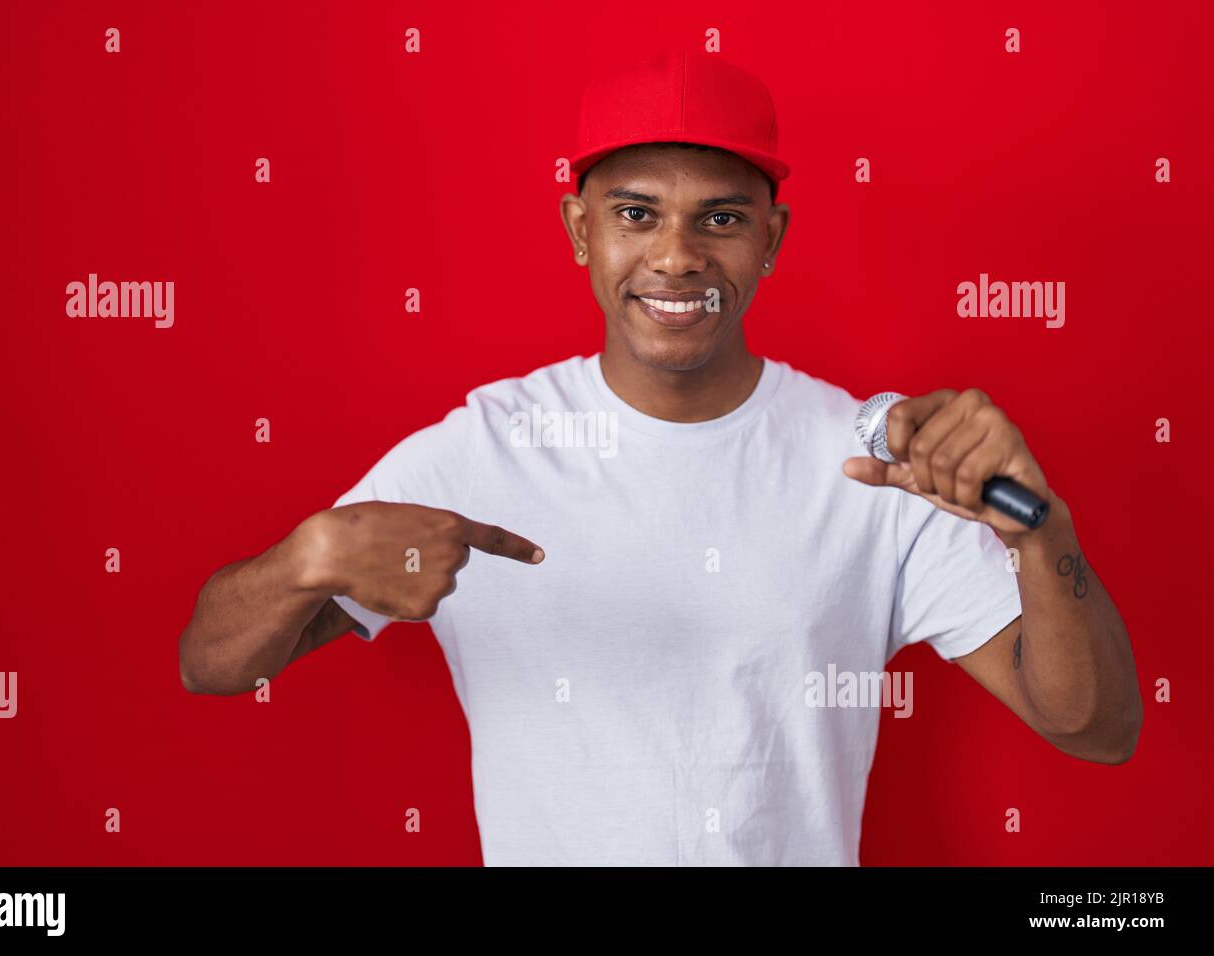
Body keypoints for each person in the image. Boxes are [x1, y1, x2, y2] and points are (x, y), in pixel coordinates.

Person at [178, 50, 1142, 865]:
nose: (676, 256)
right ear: (578, 230)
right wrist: (308, 556)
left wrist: (1038, 529)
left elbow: (1098, 730)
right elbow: (211, 665)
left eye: (720, 218)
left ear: (773, 238)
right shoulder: (481, 450)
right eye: (636, 213)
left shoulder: (869, 464)